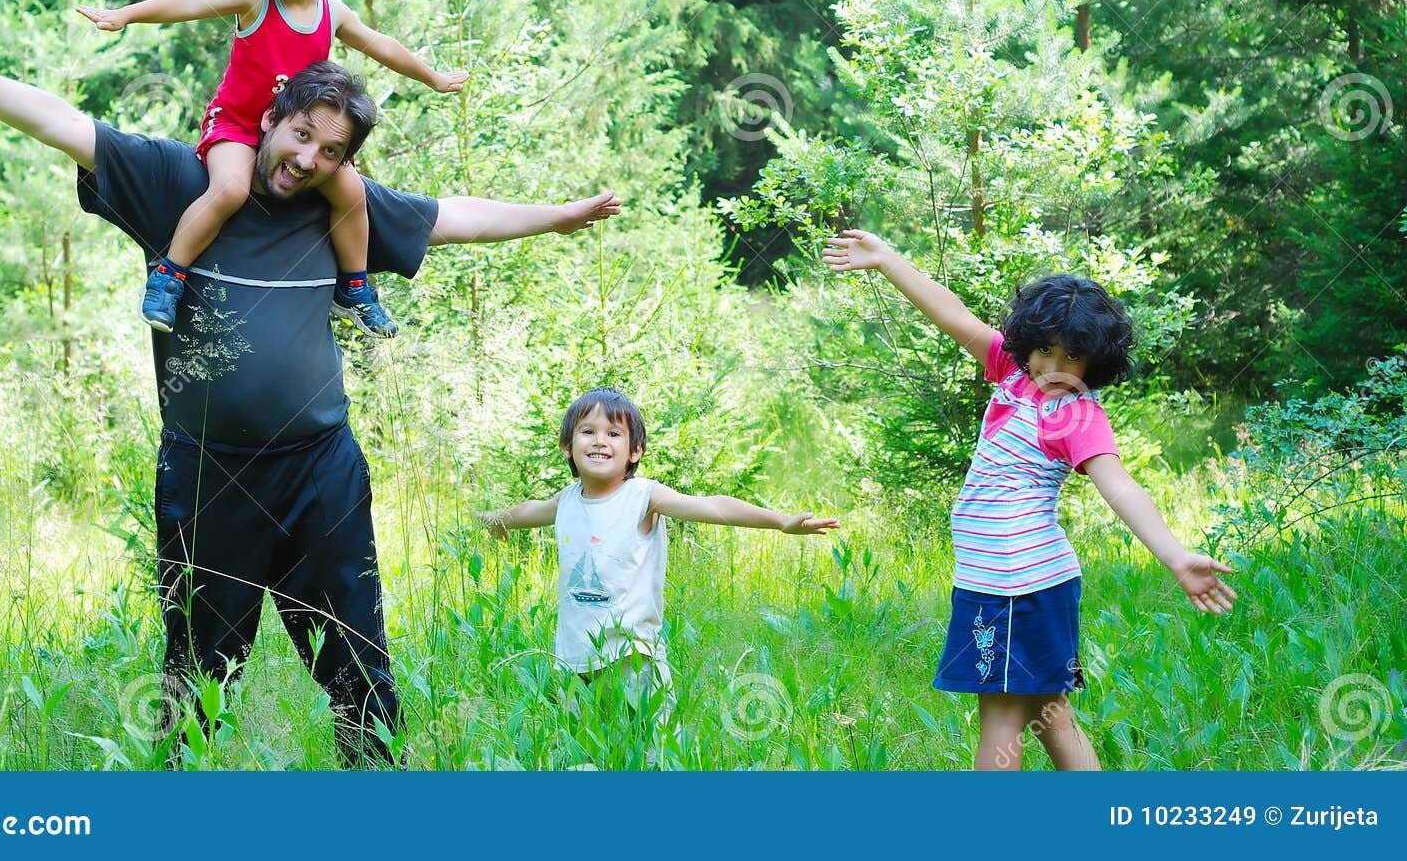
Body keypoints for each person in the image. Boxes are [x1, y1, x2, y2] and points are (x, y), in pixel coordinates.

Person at [0, 7, 619, 766]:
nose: (308, 160)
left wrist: (557, 217)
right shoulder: (181, 183)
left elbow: (454, 216)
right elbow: (65, 123)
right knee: (195, 672)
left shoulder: (341, 210)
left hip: (319, 471)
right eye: (301, 136)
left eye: (332, 153)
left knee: (358, 661)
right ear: (271, 116)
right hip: (207, 475)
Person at [823, 228, 1238, 771]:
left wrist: (1175, 555)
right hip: (1000, 580)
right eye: (1045, 350)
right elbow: (953, 316)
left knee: (1000, 717)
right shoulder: (1012, 373)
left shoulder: (1077, 414)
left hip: (1018, 583)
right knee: (1051, 711)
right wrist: (887, 260)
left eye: (1072, 357)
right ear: (1027, 343)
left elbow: (1119, 486)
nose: (1053, 366)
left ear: (1095, 364)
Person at [77, 0, 467, 337]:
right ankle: (170, 275)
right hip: (239, 125)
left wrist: (432, 77)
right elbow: (190, 2)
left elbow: (381, 45)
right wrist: (126, 15)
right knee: (228, 190)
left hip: (297, 135)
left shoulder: (332, 14)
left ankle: (354, 287)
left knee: (351, 191)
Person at [478, 387, 838, 721]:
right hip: (575, 661)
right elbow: (529, 510)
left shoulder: (643, 497)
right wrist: (494, 520)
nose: (600, 440)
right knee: (588, 753)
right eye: (587, 431)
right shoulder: (567, 500)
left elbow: (713, 506)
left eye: (614, 433)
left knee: (652, 751)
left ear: (635, 450)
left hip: (634, 661)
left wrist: (780, 522)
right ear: (567, 446)